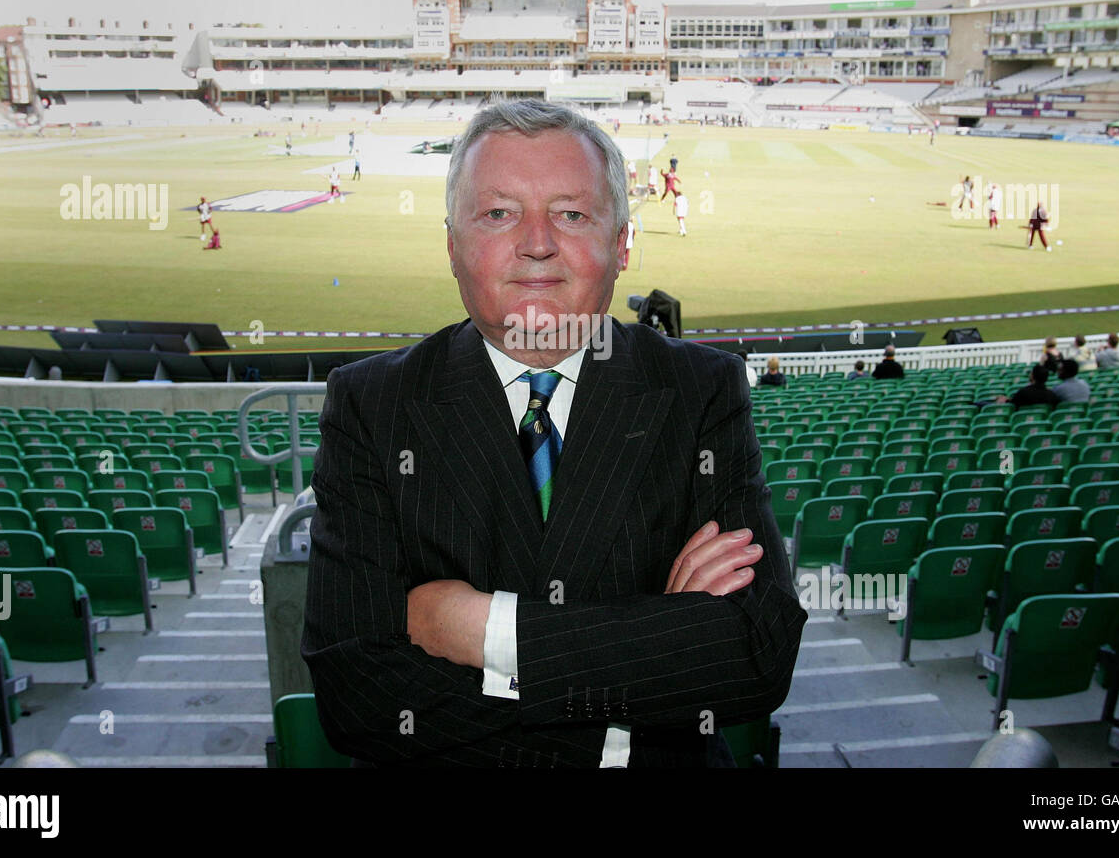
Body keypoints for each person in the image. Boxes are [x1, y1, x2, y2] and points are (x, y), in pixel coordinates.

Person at [302, 99, 806, 768]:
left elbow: (754, 652)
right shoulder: (371, 404)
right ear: (452, 244)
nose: (537, 243)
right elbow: (357, 697)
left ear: (623, 243)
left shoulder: (701, 391)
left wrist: (485, 631)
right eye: (499, 213)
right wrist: (656, 651)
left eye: (571, 213)